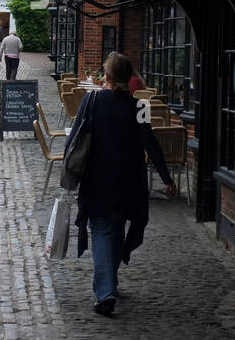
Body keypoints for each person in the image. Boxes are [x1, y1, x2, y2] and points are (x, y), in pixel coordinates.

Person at [66, 52, 175, 316]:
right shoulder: (138, 107)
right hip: (129, 182)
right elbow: (151, 144)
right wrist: (166, 178)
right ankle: (108, 284)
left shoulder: (92, 102)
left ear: (107, 75)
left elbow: (73, 141)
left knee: (103, 231)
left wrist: (70, 173)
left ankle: (105, 292)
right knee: (114, 230)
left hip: (97, 180)